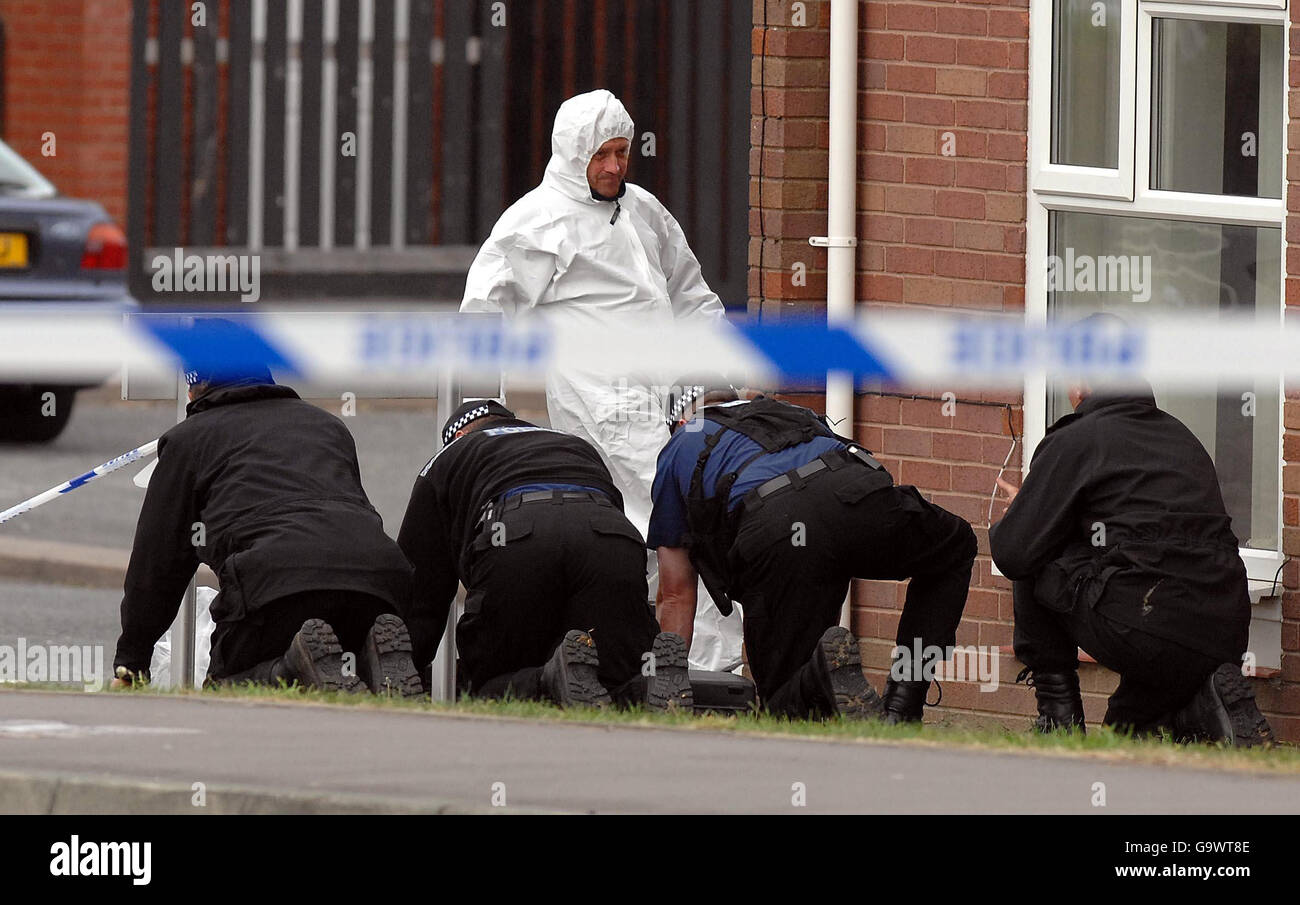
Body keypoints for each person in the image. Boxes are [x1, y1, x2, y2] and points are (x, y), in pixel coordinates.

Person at [459, 88, 743, 672]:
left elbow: (690, 293)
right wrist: (482, 408)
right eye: (602, 155)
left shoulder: (641, 209)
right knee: (670, 527)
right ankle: (689, 670)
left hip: (677, 390)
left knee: (701, 513)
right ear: (572, 154)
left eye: (623, 152)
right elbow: (487, 313)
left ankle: (674, 667)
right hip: (603, 399)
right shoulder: (536, 223)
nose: (615, 166)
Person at [111, 328, 419, 697]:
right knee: (341, 670)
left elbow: (158, 564)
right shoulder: (328, 427)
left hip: (274, 584)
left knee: (223, 690)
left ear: (201, 382)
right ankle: (374, 663)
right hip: (376, 581)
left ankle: (291, 667)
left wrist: (132, 663)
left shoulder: (188, 441)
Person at [649, 386, 977, 721]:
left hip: (777, 525)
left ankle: (820, 673)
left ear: (681, 420)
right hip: (859, 493)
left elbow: (676, 594)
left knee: (784, 707)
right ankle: (901, 706)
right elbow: (826, 520)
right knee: (954, 546)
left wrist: (665, 682)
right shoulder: (784, 411)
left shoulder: (680, 445)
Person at [989, 374, 1275, 746]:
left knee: (1032, 548)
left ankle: (1058, 720)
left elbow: (1013, 552)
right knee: (1120, 737)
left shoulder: (1077, 438)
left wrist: (1029, 514)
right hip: (1224, 630)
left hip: (1145, 624)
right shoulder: (1182, 437)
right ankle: (1209, 702)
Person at [395, 399, 692, 710]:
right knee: (613, 666)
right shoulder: (571, 443)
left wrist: (405, 669)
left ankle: (546, 680)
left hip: (517, 534)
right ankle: (647, 683)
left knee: (489, 681)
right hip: (610, 535)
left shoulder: (448, 456)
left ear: (457, 436)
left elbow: (420, 590)